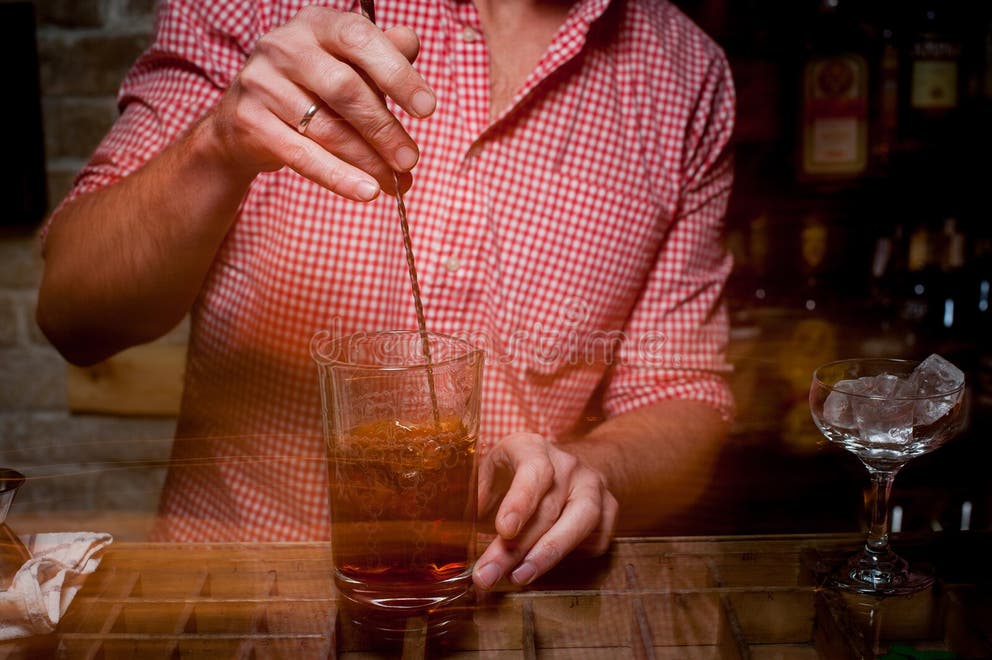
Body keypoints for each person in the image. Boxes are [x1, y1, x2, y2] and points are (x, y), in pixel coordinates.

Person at [36, 0, 735, 592]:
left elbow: (682, 393)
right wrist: (218, 143)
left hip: (497, 605)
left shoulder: (684, 71)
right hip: (233, 603)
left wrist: (588, 472)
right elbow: (74, 315)